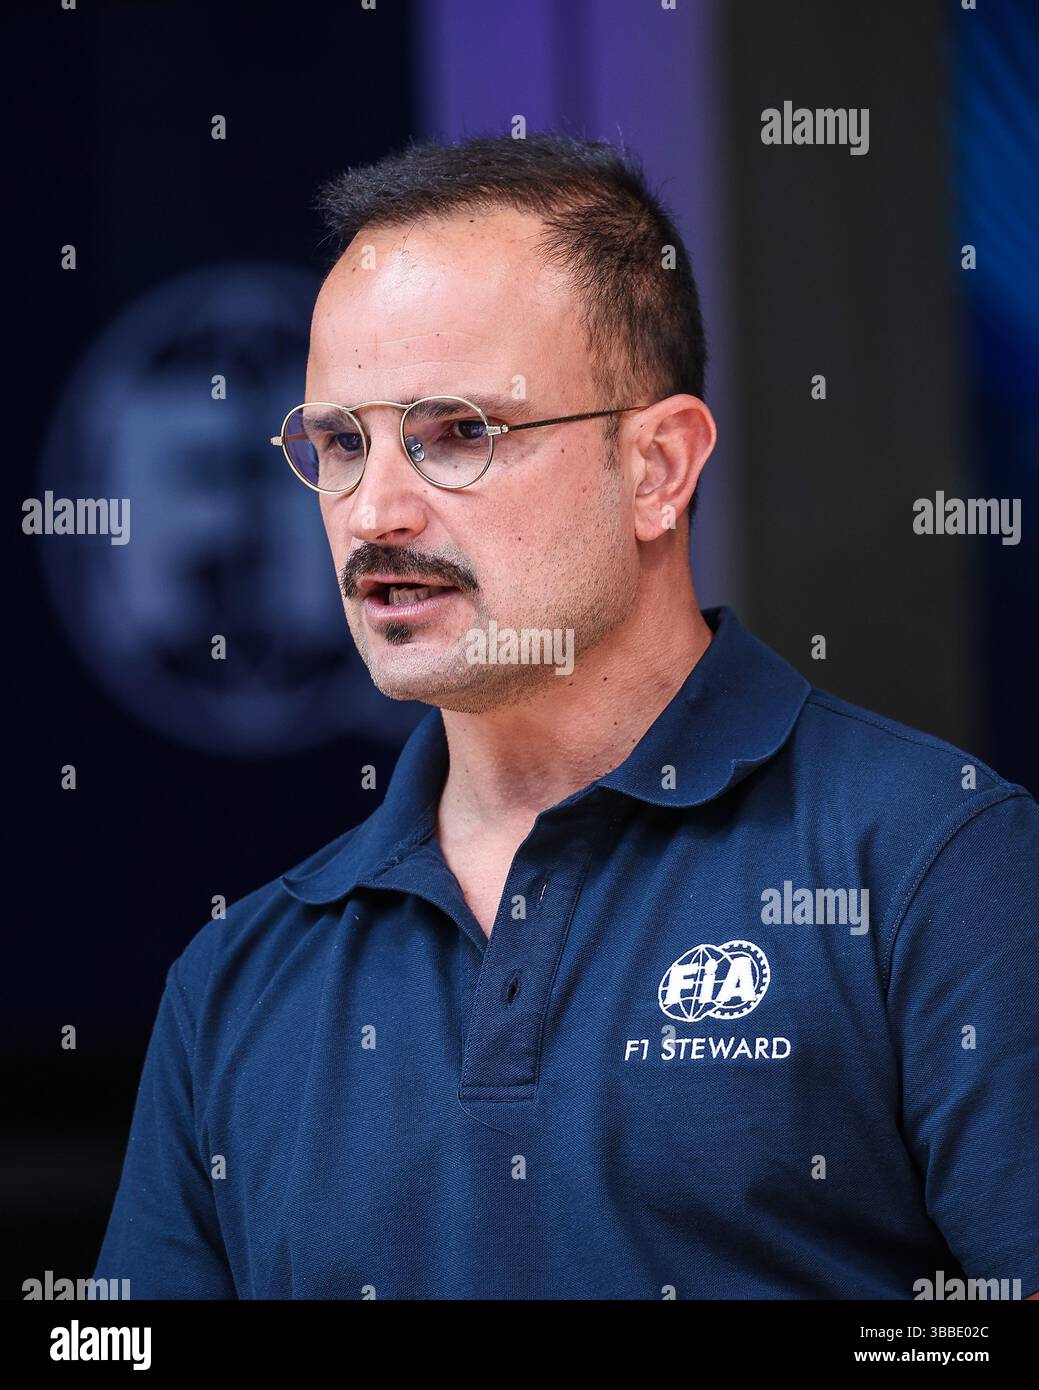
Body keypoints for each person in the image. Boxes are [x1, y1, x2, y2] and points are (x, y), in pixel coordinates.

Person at [94, 133, 1038, 1300]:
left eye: (456, 432)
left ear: (656, 467)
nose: (374, 509)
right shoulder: (237, 977)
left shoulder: (936, 865)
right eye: (339, 442)